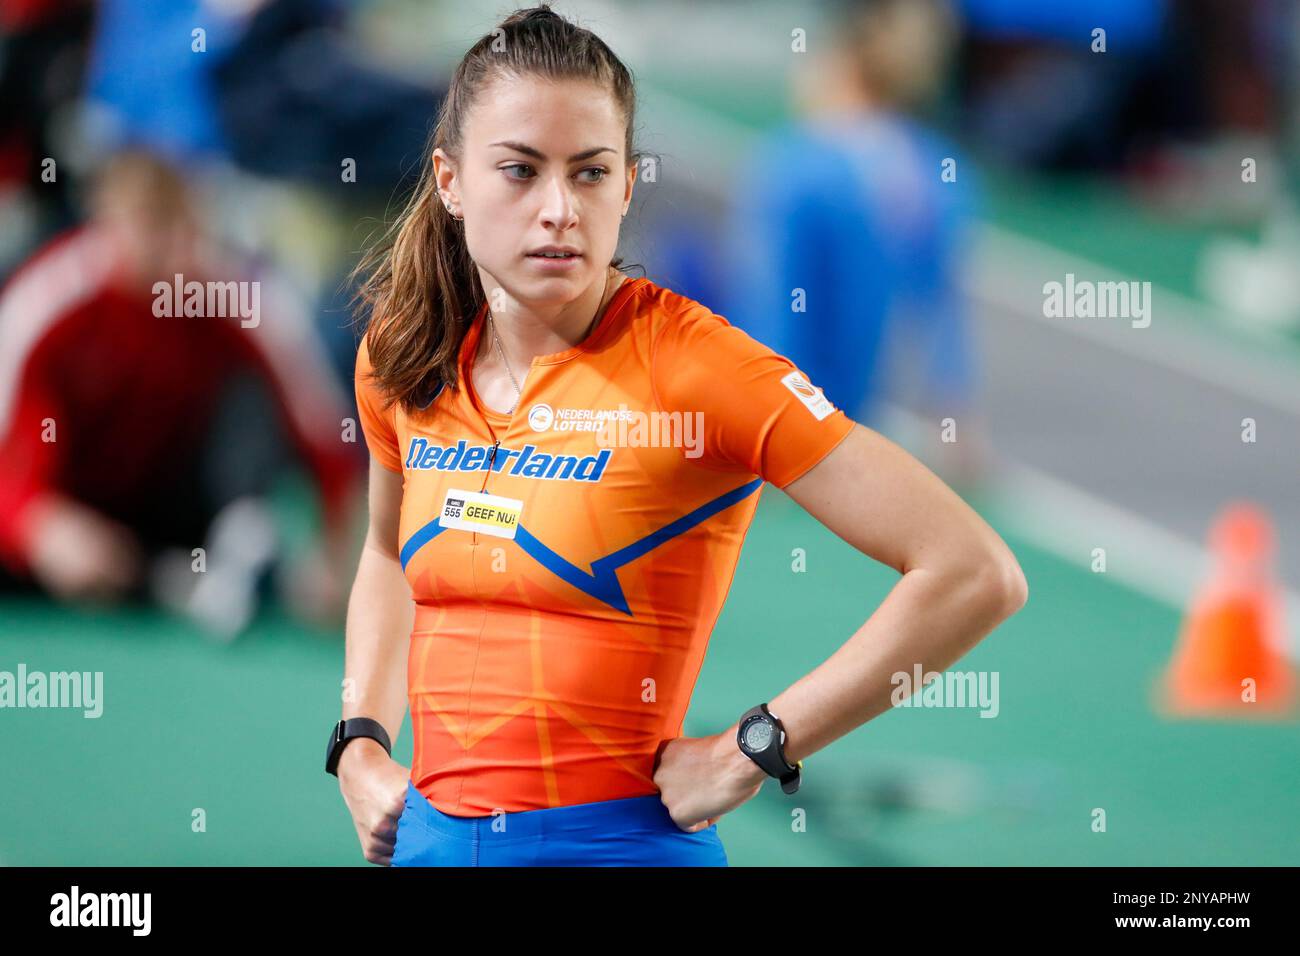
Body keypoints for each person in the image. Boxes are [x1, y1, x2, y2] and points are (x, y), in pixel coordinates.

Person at [333, 4, 1027, 867]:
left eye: (589, 174)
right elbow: (385, 553)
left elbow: (972, 571)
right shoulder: (406, 353)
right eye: (519, 170)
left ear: (626, 186)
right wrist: (359, 743)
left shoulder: (696, 368)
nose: (558, 209)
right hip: (428, 847)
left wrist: (759, 745)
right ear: (449, 180)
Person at [0, 149, 361, 638]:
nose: (165, 249)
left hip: (178, 506)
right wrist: (39, 527)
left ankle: (236, 549)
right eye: (145, 226)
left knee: (249, 401)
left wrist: (339, 558)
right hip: (65, 511)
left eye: (176, 226)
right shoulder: (48, 300)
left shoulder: (230, 291)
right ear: (105, 224)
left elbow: (321, 428)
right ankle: (168, 578)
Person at [726, 0, 988, 488]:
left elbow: (773, 301)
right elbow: (941, 306)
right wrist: (955, 414)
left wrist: (762, 430)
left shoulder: (794, 164)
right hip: (856, 417)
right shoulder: (938, 168)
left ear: (838, 66)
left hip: (790, 412)